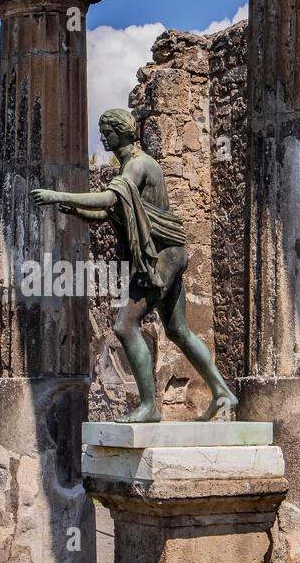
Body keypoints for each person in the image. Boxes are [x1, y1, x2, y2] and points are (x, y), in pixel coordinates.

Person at [31, 107, 238, 423]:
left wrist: (59, 193)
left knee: (125, 325)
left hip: (160, 258)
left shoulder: (138, 166)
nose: (102, 136)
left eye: (107, 130)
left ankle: (149, 406)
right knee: (178, 330)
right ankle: (222, 392)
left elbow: (107, 201)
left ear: (123, 132)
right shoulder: (130, 168)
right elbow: (110, 213)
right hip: (170, 253)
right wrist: (75, 210)